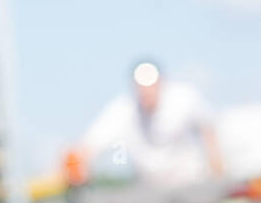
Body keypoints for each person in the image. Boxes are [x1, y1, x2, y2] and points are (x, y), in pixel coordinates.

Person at [77, 59, 224, 187]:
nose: (146, 90)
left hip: (192, 183)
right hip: (151, 191)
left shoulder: (184, 98)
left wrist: (217, 174)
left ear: (162, 82)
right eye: (141, 85)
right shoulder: (123, 110)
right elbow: (90, 145)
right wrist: (79, 165)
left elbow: (208, 130)